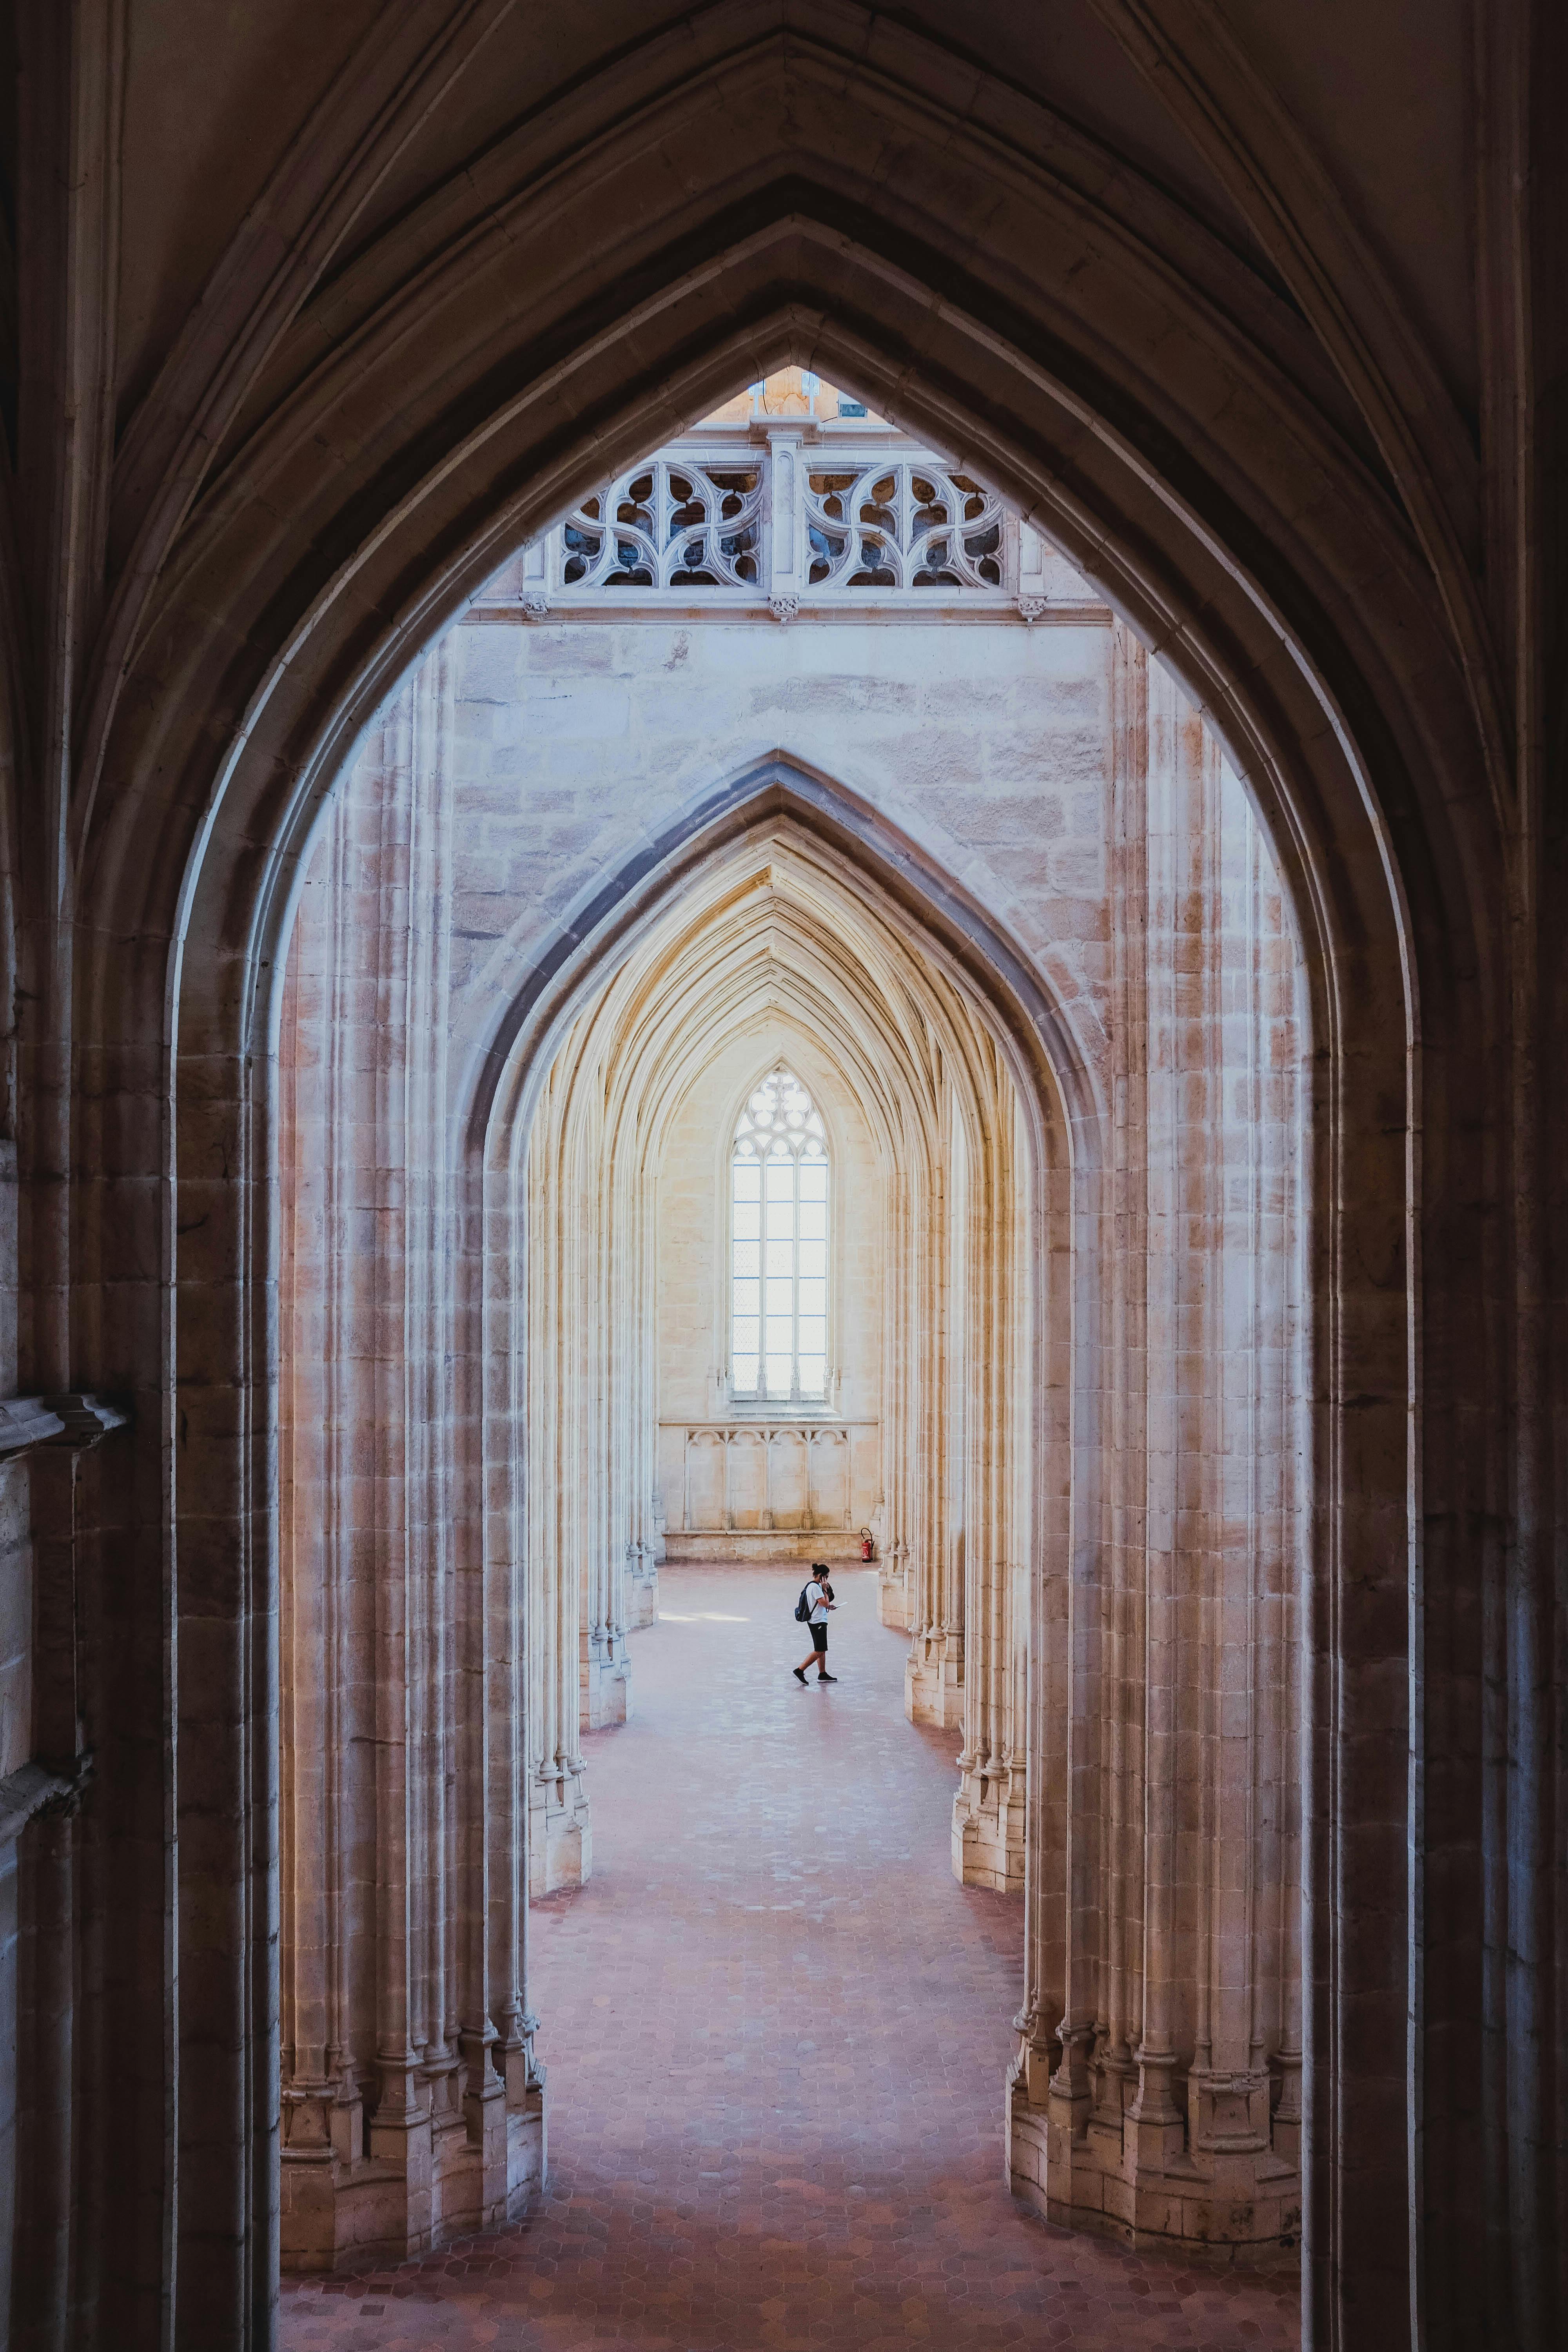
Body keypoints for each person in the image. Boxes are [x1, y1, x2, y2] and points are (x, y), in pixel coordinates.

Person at [792, 1563, 837, 1683]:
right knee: (820, 1650)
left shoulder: (811, 1586)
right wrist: (824, 1589)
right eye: (826, 1577)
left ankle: (822, 1674)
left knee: (821, 1648)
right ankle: (800, 1670)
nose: (827, 1580)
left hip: (817, 1621)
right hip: (818, 1622)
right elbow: (825, 1603)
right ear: (822, 1576)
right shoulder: (816, 1588)